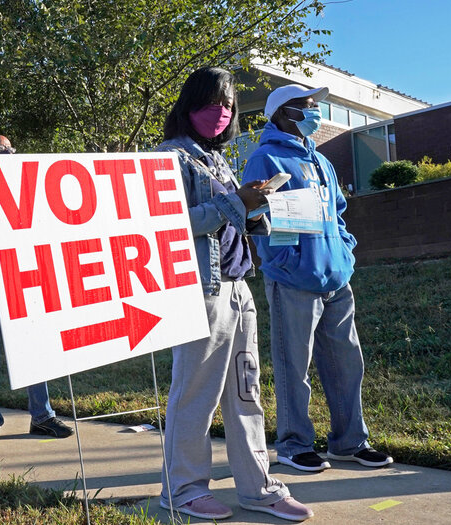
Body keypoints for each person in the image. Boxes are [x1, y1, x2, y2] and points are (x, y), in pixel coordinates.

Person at [152, 68, 311, 522]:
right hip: (201, 290)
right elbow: (173, 228)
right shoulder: (169, 157)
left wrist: (256, 211)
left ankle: (257, 486)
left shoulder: (218, 160)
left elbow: (228, 219)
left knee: (246, 388)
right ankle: (182, 488)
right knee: (195, 392)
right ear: (188, 105)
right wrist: (236, 203)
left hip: (239, 285)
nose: (220, 113)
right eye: (211, 103)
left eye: (227, 105)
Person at [242, 84, 393, 473]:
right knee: (295, 365)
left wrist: (345, 250)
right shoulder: (265, 158)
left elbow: (338, 212)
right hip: (293, 281)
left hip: (336, 278)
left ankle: (349, 443)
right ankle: (294, 444)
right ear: (282, 113)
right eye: (307, 107)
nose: (315, 113)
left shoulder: (322, 161)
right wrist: (286, 262)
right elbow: (258, 218)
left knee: (346, 364)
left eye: (314, 106)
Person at [0, 135, 74, 445]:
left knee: (35, 350)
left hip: (26, 284)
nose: (4, 155)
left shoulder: (27, 188)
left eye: (8, 150)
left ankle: (42, 416)